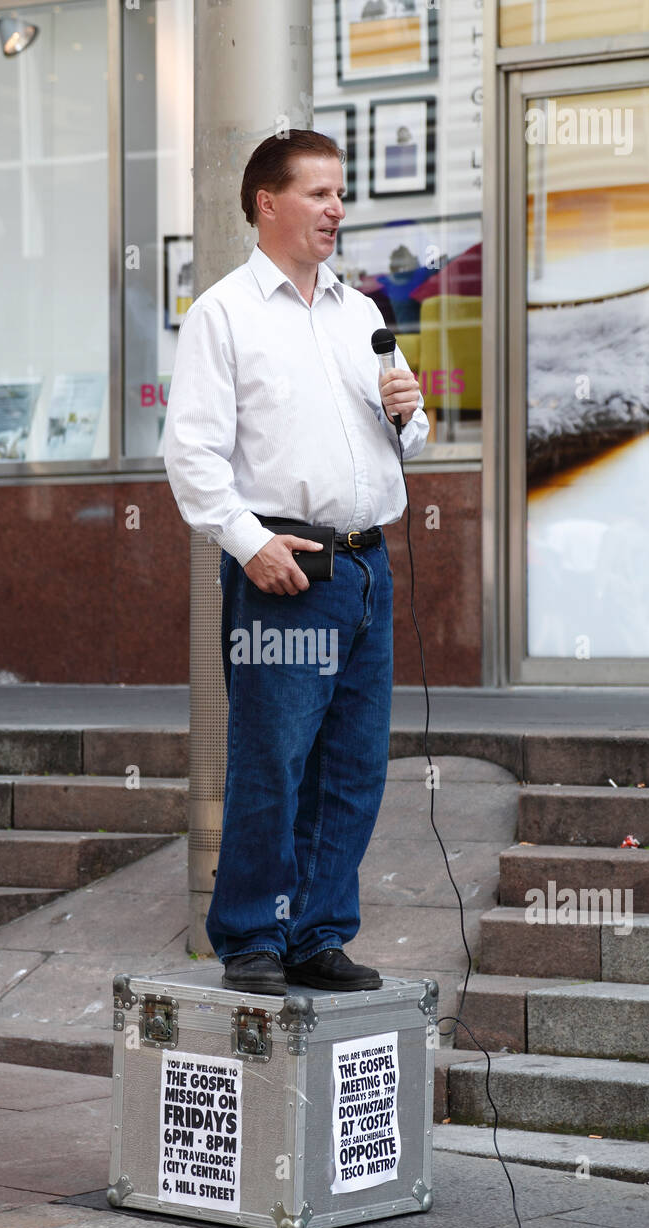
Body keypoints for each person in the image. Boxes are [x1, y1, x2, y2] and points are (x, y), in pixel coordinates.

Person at [163, 130, 430, 996]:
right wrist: (250, 544)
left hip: (367, 569)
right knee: (271, 761)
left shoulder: (360, 313)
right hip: (288, 570)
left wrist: (408, 411)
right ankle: (252, 935)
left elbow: (408, 437)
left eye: (340, 194)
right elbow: (192, 456)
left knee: (352, 766)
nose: (336, 209)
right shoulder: (224, 315)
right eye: (319, 193)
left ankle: (316, 934)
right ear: (266, 203)